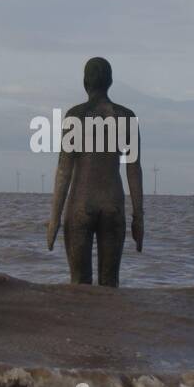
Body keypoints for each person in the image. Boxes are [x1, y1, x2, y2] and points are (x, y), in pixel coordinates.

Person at [46, 57, 143, 286]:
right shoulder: (126, 117)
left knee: (79, 285)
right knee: (110, 284)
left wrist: (54, 220)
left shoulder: (75, 116)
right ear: (110, 81)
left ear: (85, 82)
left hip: (81, 204)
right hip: (113, 205)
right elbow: (134, 170)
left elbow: (64, 171)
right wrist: (138, 218)